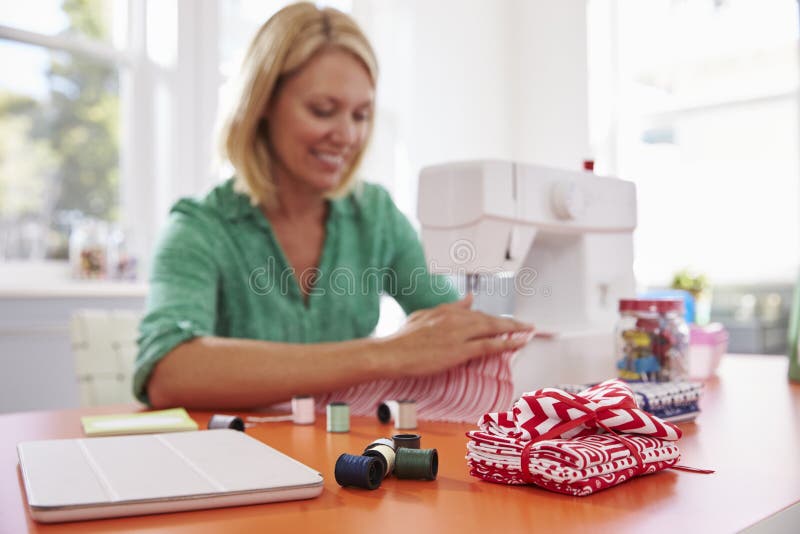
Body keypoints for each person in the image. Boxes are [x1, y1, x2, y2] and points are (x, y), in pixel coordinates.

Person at [133, 2, 533, 410]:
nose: (346, 136)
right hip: (233, 461)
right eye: (323, 111)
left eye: (361, 115)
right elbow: (168, 373)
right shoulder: (199, 229)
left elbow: (449, 328)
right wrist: (388, 354)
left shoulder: (375, 217)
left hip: (343, 462)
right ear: (263, 104)